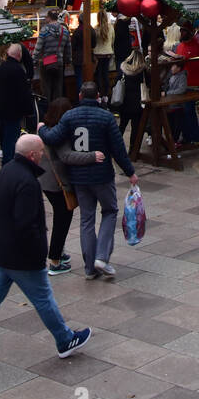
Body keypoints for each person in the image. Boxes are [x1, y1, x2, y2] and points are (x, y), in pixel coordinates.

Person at [0, 135, 92, 375]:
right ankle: (64, 340)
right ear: (32, 155)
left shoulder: (6, 171)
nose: (43, 155)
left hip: (2, 253)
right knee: (43, 299)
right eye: (41, 151)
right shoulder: (29, 182)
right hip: (23, 257)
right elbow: (26, 224)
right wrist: (40, 252)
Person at [39, 82, 137, 280]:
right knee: (109, 211)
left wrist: (40, 129)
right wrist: (130, 172)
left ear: (81, 95)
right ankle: (102, 257)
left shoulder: (69, 116)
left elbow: (52, 137)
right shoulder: (107, 117)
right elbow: (118, 149)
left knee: (86, 219)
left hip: (79, 177)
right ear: (98, 96)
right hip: (101, 175)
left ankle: (89, 268)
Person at [35, 98, 76, 275]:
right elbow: (66, 158)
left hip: (44, 180)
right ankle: (55, 260)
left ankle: (59, 252)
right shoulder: (59, 134)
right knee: (63, 218)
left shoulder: (45, 129)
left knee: (61, 216)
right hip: (57, 182)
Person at [0, 43, 35, 163]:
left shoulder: (2, 67)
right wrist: (29, 111)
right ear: (20, 54)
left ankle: (7, 163)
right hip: (14, 110)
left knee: (6, 138)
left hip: (2, 108)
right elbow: (23, 92)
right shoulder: (18, 70)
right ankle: (10, 164)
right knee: (12, 139)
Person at [33, 11, 72, 105]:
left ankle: (47, 110)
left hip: (46, 62)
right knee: (58, 89)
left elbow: (38, 47)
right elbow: (68, 48)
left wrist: (33, 61)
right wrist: (68, 60)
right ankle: (57, 110)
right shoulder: (65, 31)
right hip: (59, 63)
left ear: (49, 18)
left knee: (46, 88)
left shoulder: (44, 30)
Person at [117, 49, 147, 149]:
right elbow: (149, 82)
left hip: (124, 101)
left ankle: (115, 147)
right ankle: (133, 148)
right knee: (135, 127)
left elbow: (117, 81)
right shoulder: (143, 70)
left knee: (122, 125)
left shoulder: (123, 69)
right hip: (138, 102)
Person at [92, 7, 115, 102]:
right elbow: (113, 40)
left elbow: (93, 43)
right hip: (108, 53)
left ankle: (99, 95)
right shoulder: (111, 28)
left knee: (98, 75)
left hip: (98, 54)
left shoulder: (95, 29)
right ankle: (106, 95)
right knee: (105, 74)